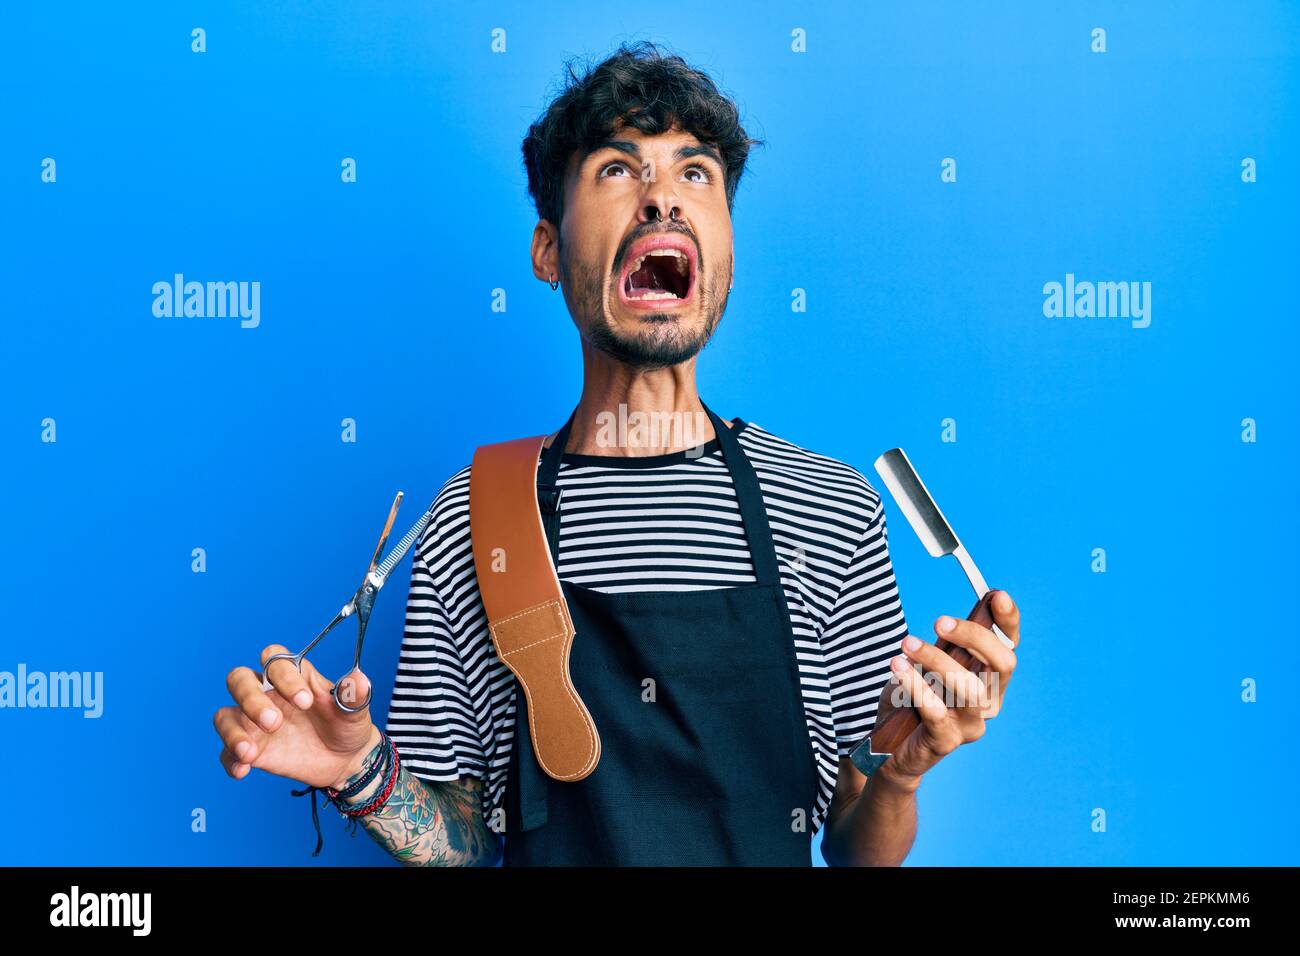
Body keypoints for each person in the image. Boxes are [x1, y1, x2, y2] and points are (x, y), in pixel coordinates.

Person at [213, 40, 1021, 867]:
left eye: (694, 173)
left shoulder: (829, 505)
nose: (662, 197)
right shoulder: (477, 513)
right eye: (617, 170)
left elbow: (856, 846)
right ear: (549, 253)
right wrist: (359, 772)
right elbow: (460, 844)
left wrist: (896, 778)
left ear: (728, 256)